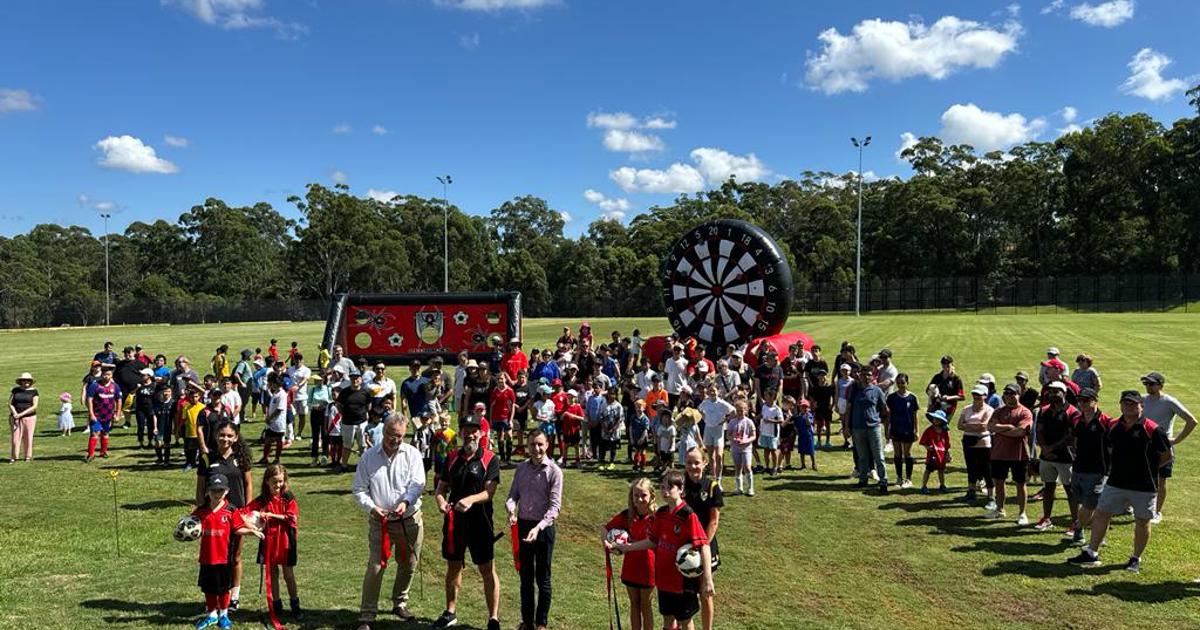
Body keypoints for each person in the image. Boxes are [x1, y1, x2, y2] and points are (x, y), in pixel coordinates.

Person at [1068, 390, 1171, 573]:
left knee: (1142, 521)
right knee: (1101, 513)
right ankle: (1092, 553)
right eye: (1125, 403)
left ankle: (1135, 558)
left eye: (1133, 404)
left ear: (1142, 406)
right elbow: (1109, 448)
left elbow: (1165, 456)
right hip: (1116, 481)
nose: (1128, 407)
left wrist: (1148, 470)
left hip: (1144, 485)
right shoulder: (1114, 425)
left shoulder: (1153, 429)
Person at [610, 470, 713, 630]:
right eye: (663, 487)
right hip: (663, 580)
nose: (665, 491)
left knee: (685, 621)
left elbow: (704, 545)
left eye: (669, 488)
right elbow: (652, 541)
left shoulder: (688, 515)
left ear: (681, 490)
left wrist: (707, 579)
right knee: (667, 620)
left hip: (682, 582)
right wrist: (626, 548)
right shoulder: (662, 513)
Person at [352, 414, 426, 629]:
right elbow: (358, 489)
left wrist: (406, 501)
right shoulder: (368, 457)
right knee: (376, 566)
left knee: (409, 563)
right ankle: (367, 614)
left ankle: (400, 602)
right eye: (391, 435)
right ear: (383, 432)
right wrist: (372, 508)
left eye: (400, 436)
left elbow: (418, 483)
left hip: (409, 519)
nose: (395, 440)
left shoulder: (412, 454)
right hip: (380, 522)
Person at [434, 413, 502, 630]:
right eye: (466, 429)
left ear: (481, 433)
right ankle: (450, 612)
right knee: (453, 566)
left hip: (480, 522)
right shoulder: (452, 457)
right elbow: (441, 488)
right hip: (455, 523)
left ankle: (493, 618)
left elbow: (489, 492)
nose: (470, 434)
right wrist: (442, 502)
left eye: (475, 430)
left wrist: (471, 500)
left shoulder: (490, 458)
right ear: (461, 432)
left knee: (486, 569)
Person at [506, 430, 563, 630]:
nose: (536, 449)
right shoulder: (521, 469)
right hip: (523, 526)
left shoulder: (554, 471)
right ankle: (527, 621)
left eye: (540, 444)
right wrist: (511, 509)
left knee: (543, 577)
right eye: (532, 445)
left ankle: (541, 623)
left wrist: (538, 528)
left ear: (547, 445)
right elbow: (513, 495)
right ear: (527, 446)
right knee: (525, 577)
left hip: (544, 529)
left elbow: (555, 507)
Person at [190, 472, 263, 630]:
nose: (217, 494)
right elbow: (191, 528)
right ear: (208, 491)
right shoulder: (201, 511)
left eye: (220, 491)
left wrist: (252, 531)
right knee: (208, 588)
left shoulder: (231, 510)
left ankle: (224, 614)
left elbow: (237, 529)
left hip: (224, 558)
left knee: (223, 589)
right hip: (206, 558)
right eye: (214, 490)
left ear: (227, 491)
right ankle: (211, 615)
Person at [197, 420, 254, 611]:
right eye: (222, 435)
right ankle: (213, 600)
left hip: (236, 513)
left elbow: (248, 484)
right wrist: (199, 513)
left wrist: (247, 511)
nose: (225, 439)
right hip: (213, 515)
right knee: (213, 558)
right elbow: (200, 487)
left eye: (230, 435)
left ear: (236, 437)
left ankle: (234, 597)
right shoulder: (207, 458)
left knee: (235, 556)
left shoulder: (241, 457)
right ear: (216, 436)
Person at [244, 464, 301, 618]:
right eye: (274, 482)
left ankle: (295, 605)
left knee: (288, 574)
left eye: (281, 481)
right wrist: (250, 521)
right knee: (273, 573)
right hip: (269, 541)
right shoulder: (262, 499)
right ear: (267, 482)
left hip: (285, 540)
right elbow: (245, 512)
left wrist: (270, 515)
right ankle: (276, 605)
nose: (278, 485)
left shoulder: (288, 497)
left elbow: (291, 517)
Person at [1139, 371, 1195, 523]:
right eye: (1146, 383)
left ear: (1160, 385)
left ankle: (1156, 512)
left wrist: (1176, 440)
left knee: (1160, 479)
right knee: (1139, 475)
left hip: (1161, 446)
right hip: (1143, 445)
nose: (1148, 386)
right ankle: (1134, 505)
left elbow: (1191, 421)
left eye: (1151, 384)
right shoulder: (1142, 400)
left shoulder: (1169, 401)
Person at [604, 478, 656, 630]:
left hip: (649, 567)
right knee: (634, 604)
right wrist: (607, 543)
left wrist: (626, 547)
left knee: (646, 604)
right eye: (635, 495)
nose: (639, 499)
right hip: (631, 567)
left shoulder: (656, 518)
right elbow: (605, 528)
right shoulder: (627, 515)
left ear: (652, 496)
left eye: (643, 495)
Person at [682, 448, 723, 630]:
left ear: (705, 463)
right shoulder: (680, 484)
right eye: (689, 462)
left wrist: (701, 545)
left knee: (705, 592)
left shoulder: (712, 487)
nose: (693, 466)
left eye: (696, 462)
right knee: (685, 593)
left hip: (705, 545)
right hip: (684, 547)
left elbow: (713, 522)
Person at [1034, 381, 1081, 533]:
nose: (1053, 394)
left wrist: (1051, 448)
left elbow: (1071, 436)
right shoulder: (1043, 410)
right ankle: (1047, 518)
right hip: (1047, 456)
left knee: (1070, 490)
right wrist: (1044, 448)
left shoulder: (1073, 412)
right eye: (1051, 391)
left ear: (1064, 393)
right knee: (1048, 487)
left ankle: (1075, 521)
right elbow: (1039, 431)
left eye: (1056, 391)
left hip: (1066, 457)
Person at [1068, 387, 1113, 546]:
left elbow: (1112, 448)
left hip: (1099, 470)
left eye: (1086, 401)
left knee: (1091, 504)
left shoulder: (1107, 422)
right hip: (1079, 468)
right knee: (1083, 502)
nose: (1082, 404)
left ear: (1095, 401)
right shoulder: (1076, 420)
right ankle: (1091, 531)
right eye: (1080, 401)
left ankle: (1080, 529)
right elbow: (1074, 442)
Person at [986, 383, 1034, 524]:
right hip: (999, 453)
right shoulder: (999, 411)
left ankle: (1022, 513)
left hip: (1018, 455)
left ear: (1019, 395)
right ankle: (1000, 510)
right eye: (1006, 393)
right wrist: (1008, 427)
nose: (1008, 396)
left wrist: (1000, 430)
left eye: (1012, 393)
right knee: (999, 483)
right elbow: (990, 426)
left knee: (1020, 484)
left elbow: (1020, 431)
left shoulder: (1025, 412)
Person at [849, 365, 890, 493]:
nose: (866, 377)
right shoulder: (854, 390)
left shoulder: (877, 391)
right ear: (859, 375)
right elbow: (849, 409)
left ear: (872, 376)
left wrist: (883, 424)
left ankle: (883, 482)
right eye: (864, 374)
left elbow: (885, 409)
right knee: (862, 457)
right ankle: (863, 480)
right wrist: (846, 427)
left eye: (869, 375)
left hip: (873, 428)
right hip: (857, 428)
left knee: (879, 457)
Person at [958, 384, 995, 504]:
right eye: (974, 394)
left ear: (985, 396)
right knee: (971, 467)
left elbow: (984, 426)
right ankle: (971, 491)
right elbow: (959, 425)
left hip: (983, 443)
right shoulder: (966, 408)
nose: (976, 397)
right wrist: (976, 426)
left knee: (986, 469)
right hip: (968, 442)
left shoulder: (989, 410)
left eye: (979, 395)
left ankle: (991, 496)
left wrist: (968, 426)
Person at [697, 384, 734, 485]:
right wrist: (704, 417)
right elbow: (699, 409)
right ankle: (714, 478)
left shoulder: (722, 403)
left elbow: (733, 411)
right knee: (711, 457)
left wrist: (725, 420)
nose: (712, 392)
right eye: (710, 390)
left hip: (719, 431)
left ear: (718, 391)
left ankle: (719, 479)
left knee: (718, 455)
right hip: (708, 430)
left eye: (714, 390)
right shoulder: (705, 402)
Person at [886, 374, 918, 488]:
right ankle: (899, 478)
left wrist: (916, 430)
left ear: (907, 383)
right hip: (895, 429)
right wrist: (887, 429)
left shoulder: (912, 398)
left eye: (902, 383)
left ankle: (908, 479)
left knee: (907, 454)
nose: (900, 385)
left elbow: (915, 415)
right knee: (897, 454)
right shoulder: (892, 397)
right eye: (898, 383)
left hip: (908, 430)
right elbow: (888, 415)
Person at [85, 366, 122, 463]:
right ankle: (91, 454)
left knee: (105, 433)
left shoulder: (115, 386)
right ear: (101, 374)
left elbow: (119, 400)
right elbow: (89, 399)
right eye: (104, 374)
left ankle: (103, 452)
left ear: (111, 375)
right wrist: (91, 414)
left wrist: (117, 414)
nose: (106, 376)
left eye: (108, 374)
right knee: (94, 434)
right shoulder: (95, 385)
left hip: (108, 416)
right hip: (96, 415)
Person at [338, 372, 373, 472]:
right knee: (347, 446)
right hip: (347, 423)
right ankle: (344, 465)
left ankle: (364, 466)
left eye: (357, 378)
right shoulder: (344, 392)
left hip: (362, 423)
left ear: (361, 380)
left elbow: (369, 406)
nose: (355, 380)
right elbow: (339, 405)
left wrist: (364, 414)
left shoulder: (365, 393)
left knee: (363, 446)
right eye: (352, 378)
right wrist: (345, 414)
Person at [727, 401, 757, 496]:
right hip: (735, 447)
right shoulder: (732, 422)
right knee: (737, 467)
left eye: (742, 410)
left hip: (746, 448)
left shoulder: (749, 422)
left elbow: (753, 435)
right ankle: (739, 487)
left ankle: (750, 487)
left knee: (747, 467)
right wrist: (734, 439)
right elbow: (728, 435)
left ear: (746, 410)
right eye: (738, 410)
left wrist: (746, 441)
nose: (740, 412)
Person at [8, 372, 39, 463]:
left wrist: (21, 414)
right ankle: (14, 457)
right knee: (15, 438)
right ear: (21, 381)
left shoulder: (34, 391)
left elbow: (34, 406)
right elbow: (10, 403)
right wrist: (15, 413)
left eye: (28, 380)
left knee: (28, 437)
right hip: (15, 418)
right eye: (24, 380)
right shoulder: (15, 390)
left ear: (31, 381)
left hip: (29, 417)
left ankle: (28, 456)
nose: (26, 382)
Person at [919, 410, 951, 493]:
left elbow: (947, 444)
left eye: (938, 419)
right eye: (935, 418)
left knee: (941, 470)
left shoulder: (945, 432)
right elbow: (923, 441)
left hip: (941, 454)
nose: (936, 420)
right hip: (932, 454)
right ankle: (924, 486)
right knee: (928, 470)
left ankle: (942, 485)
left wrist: (947, 454)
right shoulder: (929, 430)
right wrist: (927, 447)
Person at [489, 375, 517, 464]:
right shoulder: (495, 391)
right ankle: (502, 458)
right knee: (500, 436)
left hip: (506, 417)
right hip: (497, 417)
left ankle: (509, 458)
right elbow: (492, 406)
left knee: (509, 435)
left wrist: (511, 420)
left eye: (502, 378)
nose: (500, 380)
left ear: (505, 379)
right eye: (498, 379)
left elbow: (512, 406)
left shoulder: (510, 391)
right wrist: (490, 419)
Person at [758, 389, 784, 474]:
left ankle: (775, 468)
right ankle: (767, 467)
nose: (765, 397)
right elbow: (762, 415)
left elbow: (781, 421)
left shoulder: (777, 409)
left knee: (773, 450)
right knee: (766, 450)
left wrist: (770, 421)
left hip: (773, 433)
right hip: (764, 432)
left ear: (772, 397)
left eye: (766, 395)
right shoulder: (764, 407)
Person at [152, 386, 175, 466]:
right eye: (165, 391)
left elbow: (175, 416)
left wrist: (174, 427)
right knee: (158, 442)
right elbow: (154, 415)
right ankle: (160, 458)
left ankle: (167, 460)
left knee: (167, 443)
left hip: (168, 426)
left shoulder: (173, 403)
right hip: (159, 426)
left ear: (171, 392)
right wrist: (155, 427)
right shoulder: (158, 403)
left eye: (168, 391)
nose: (166, 393)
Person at [629, 399, 652, 472]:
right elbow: (630, 427)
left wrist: (642, 439)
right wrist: (631, 438)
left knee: (643, 452)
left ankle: (643, 466)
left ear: (644, 408)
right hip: (635, 437)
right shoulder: (633, 417)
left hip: (643, 438)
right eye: (637, 407)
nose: (638, 409)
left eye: (640, 407)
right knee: (636, 451)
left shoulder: (645, 419)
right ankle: (636, 465)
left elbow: (646, 430)